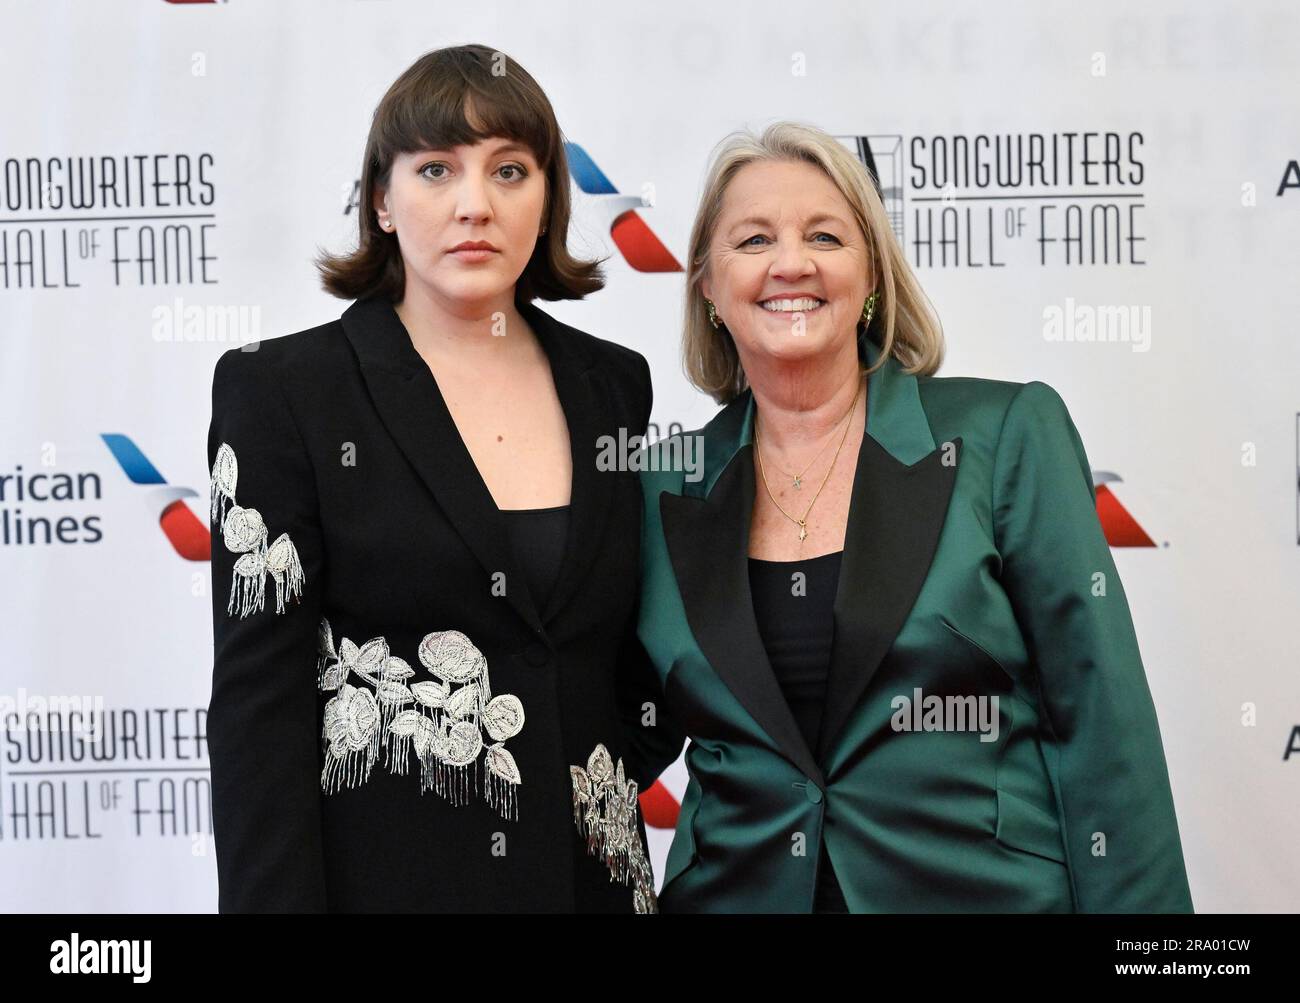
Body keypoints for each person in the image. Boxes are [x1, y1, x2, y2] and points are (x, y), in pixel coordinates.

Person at [625, 121, 1194, 913]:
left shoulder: (1005, 436)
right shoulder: (658, 486)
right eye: (753, 240)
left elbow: (1105, 731)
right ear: (708, 288)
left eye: (825, 235)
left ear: (873, 279)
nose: (792, 262)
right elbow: (608, 729)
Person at [206, 44, 657, 913]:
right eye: (437, 169)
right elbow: (260, 715)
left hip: (594, 890)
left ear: (548, 199)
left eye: (511, 170)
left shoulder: (615, 385)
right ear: (381, 199)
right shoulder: (283, 392)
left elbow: (630, 653)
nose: (474, 205)